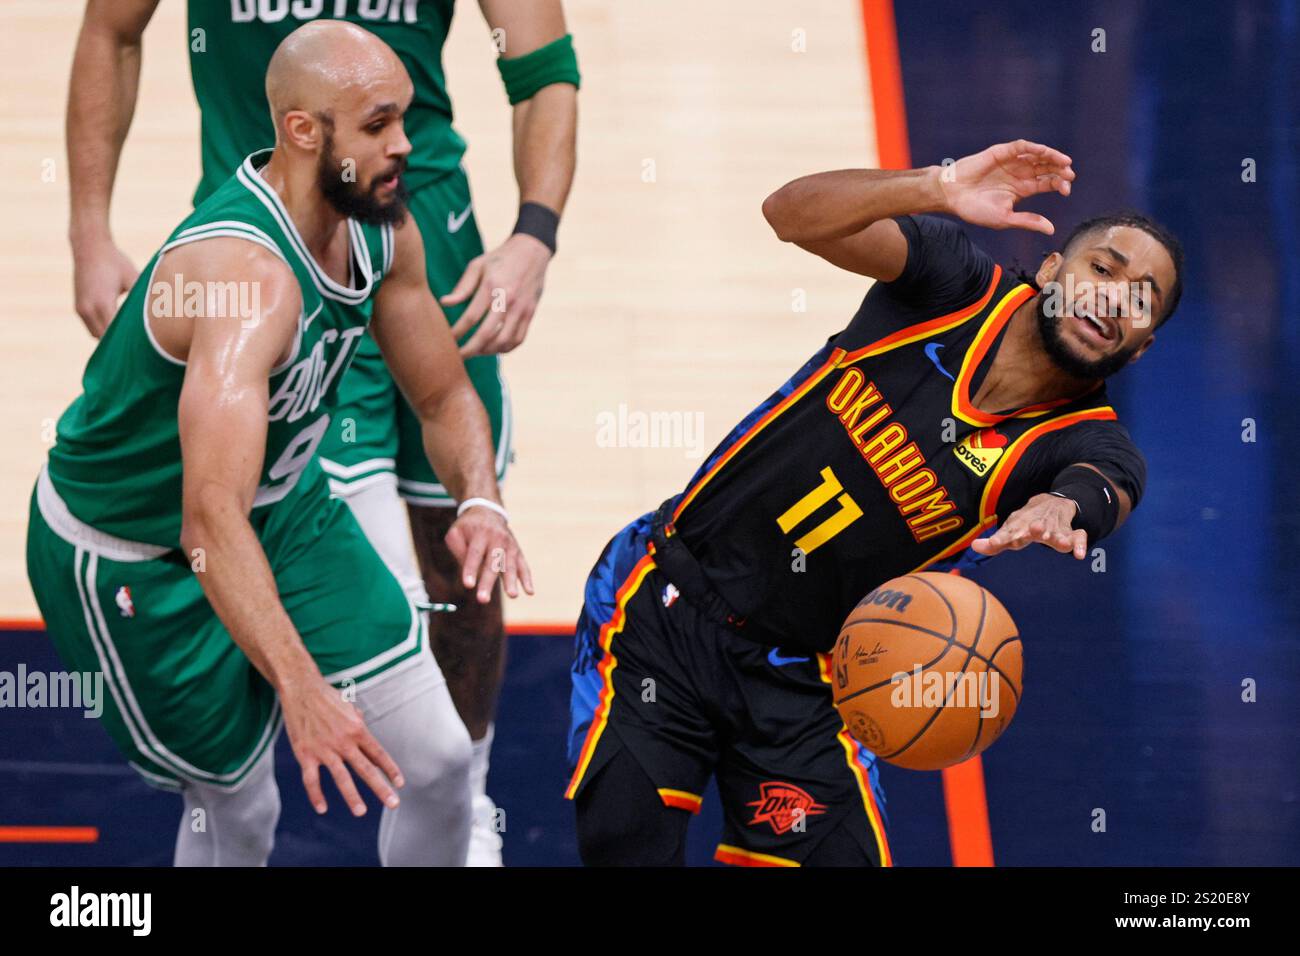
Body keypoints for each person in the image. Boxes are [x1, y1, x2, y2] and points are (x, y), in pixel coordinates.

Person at [566, 140, 1182, 866]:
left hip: (807, 681)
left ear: (1140, 348)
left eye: (1141, 299)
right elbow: (789, 214)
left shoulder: (1087, 443)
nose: (1113, 298)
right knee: (624, 848)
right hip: (664, 608)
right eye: (1101, 269)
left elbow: (1105, 489)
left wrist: (1061, 510)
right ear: (1052, 270)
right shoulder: (953, 285)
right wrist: (935, 185)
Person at [66, 0, 579, 865]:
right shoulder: (245, 279)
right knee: (240, 803)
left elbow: (541, 66)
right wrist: (88, 228)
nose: (403, 136)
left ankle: (467, 796)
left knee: (456, 577)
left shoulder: (393, 218)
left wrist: (535, 233)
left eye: (400, 119)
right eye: (385, 120)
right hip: (250, 300)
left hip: (412, 233)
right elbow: (110, 29)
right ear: (303, 125)